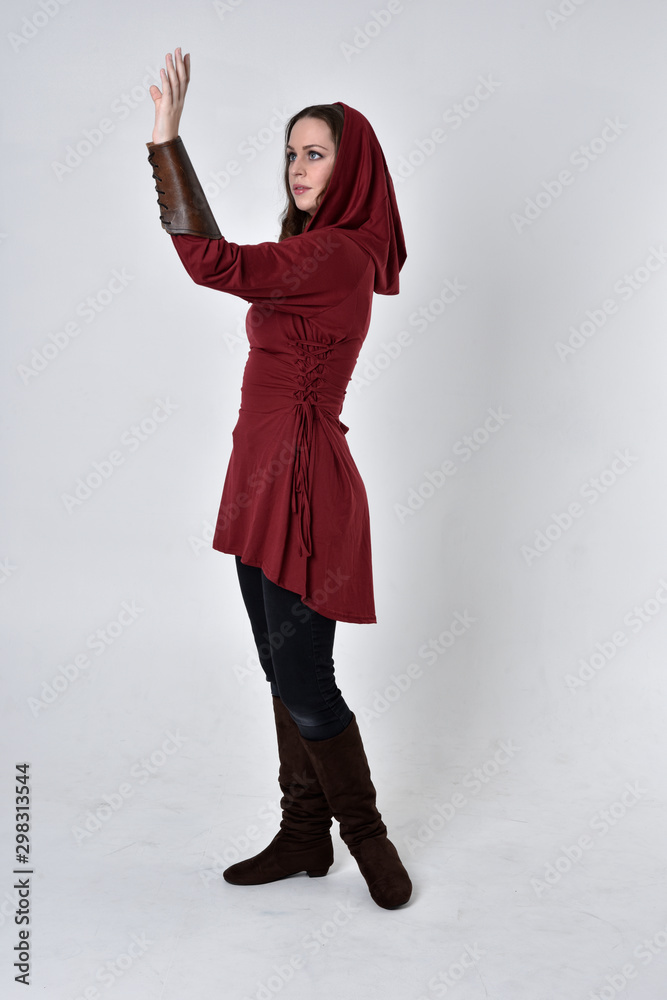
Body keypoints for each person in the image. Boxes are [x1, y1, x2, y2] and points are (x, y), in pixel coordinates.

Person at [147, 48, 412, 909]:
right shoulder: (312, 252)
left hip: (304, 490)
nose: (297, 167)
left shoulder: (335, 253)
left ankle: (365, 840)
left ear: (352, 167)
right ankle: (303, 836)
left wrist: (166, 144)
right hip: (259, 480)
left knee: (306, 679)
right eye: (291, 152)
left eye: (316, 153)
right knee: (277, 667)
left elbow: (210, 262)